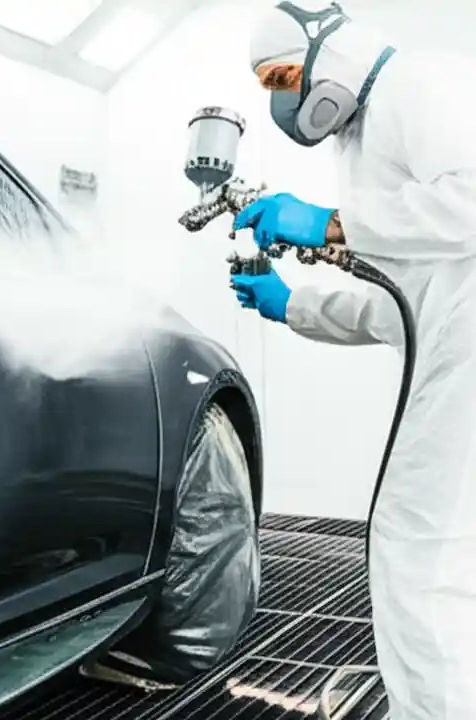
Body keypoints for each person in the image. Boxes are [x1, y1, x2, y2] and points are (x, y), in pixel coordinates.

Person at [233, 3, 476, 718]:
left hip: (466, 361)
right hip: (451, 348)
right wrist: (292, 305)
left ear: (327, 52)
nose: (284, 102)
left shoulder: (416, 85)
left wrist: (331, 224)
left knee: (418, 552)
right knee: (444, 559)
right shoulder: (367, 134)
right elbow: (397, 306)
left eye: (284, 78)